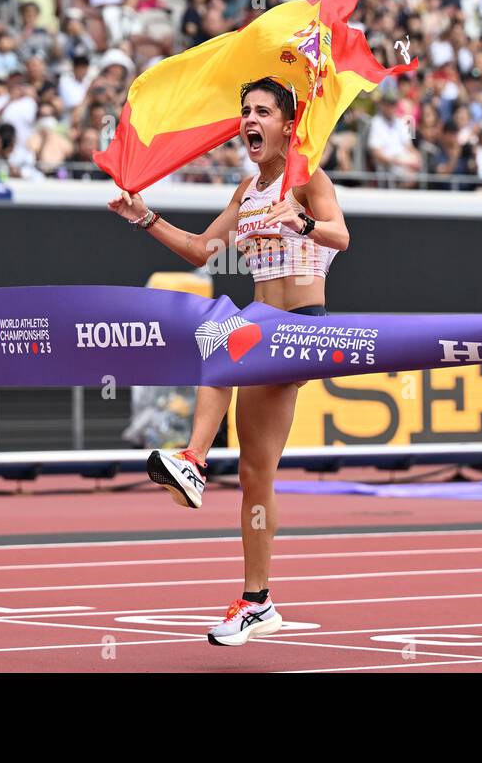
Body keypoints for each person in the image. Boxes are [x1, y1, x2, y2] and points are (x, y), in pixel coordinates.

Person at [106, 76, 350, 645]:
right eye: (245, 111)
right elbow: (200, 250)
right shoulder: (246, 189)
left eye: (262, 111)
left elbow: (342, 235)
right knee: (255, 475)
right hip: (261, 330)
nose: (249, 120)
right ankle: (258, 600)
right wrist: (143, 216)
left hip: (299, 327)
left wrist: (303, 223)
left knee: (221, 331)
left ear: (288, 125)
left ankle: (192, 458)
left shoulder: (307, 177)